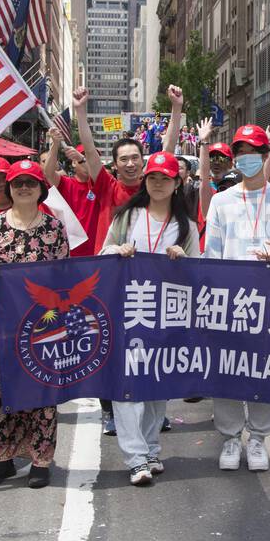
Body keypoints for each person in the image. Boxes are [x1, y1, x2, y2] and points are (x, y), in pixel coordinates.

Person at [72, 86, 184, 435]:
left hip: (150, 280)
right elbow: (90, 150)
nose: (132, 163)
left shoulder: (152, 186)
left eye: (137, 158)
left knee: (150, 344)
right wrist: (80, 112)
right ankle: (110, 410)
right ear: (115, 164)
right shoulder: (105, 185)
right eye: (124, 159)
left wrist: (176, 110)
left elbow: (167, 151)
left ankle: (153, 408)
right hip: (108, 277)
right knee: (107, 344)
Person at [0, 160, 70, 490]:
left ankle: (40, 459)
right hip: (2, 326)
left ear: (40, 189)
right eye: (17, 183)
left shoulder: (54, 228)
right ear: (8, 189)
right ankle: (2, 458)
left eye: (30, 182)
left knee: (41, 392)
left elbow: (65, 275)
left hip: (43, 326)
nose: (24, 187)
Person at [204, 124, 270, 472]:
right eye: (240, 153)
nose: (247, 159)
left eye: (253, 153)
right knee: (228, 369)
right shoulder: (221, 201)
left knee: (265, 372)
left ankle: (258, 438)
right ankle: (230, 438)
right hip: (230, 300)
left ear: (267, 156)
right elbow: (211, 253)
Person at [99, 152, 199, 485]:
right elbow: (102, 256)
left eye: (165, 178)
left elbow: (199, 274)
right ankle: (136, 457)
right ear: (144, 180)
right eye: (152, 177)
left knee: (158, 386)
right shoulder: (127, 217)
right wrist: (118, 252)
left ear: (177, 183)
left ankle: (151, 446)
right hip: (127, 313)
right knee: (127, 386)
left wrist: (184, 259)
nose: (158, 184)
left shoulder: (186, 226)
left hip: (167, 316)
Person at [45, 89, 113, 258]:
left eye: (93, 160)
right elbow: (48, 173)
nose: (89, 164)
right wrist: (55, 145)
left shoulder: (102, 185)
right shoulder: (67, 183)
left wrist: (84, 157)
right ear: (73, 163)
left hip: (98, 251)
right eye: (83, 161)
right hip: (70, 252)